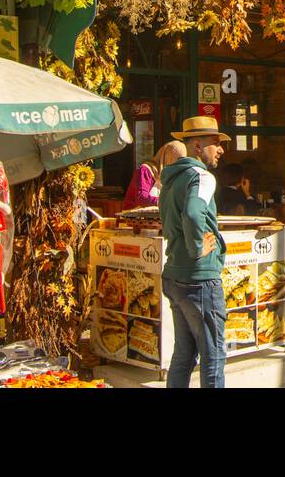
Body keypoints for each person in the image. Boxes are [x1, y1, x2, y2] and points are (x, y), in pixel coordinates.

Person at [157, 115, 230, 388]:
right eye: (215, 143)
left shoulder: (172, 179)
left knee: (184, 354)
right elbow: (192, 212)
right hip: (200, 280)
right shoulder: (202, 177)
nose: (221, 149)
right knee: (213, 357)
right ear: (197, 146)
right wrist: (198, 246)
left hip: (175, 275)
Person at [123, 141, 185, 210]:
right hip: (133, 217)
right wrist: (167, 201)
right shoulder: (145, 170)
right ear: (166, 156)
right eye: (174, 160)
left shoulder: (170, 175)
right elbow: (141, 198)